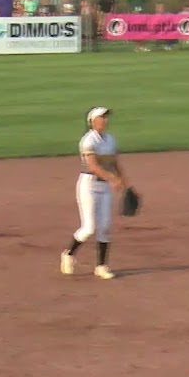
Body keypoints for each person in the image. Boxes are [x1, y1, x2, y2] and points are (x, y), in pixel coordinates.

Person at [61, 107, 130, 280]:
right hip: (88, 187)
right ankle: (68, 254)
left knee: (105, 227)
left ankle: (101, 266)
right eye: (101, 117)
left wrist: (123, 181)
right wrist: (112, 179)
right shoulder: (88, 140)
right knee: (89, 227)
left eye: (106, 117)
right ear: (92, 121)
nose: (105, 120)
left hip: (104, 187)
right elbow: (93, 166)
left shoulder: (110, 140)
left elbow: (114, 163)